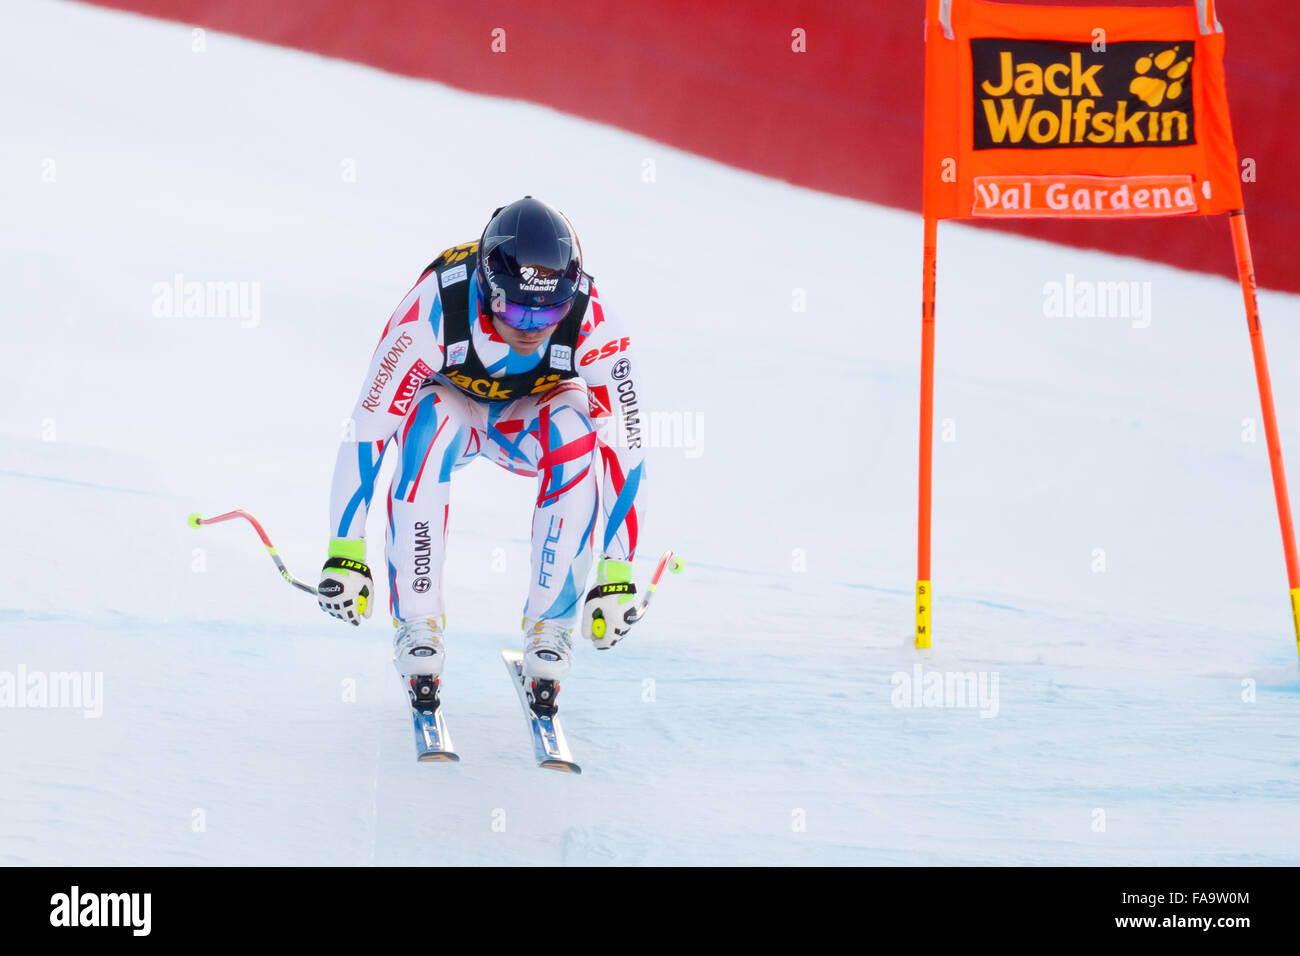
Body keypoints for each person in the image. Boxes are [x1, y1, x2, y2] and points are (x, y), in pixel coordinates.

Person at [315, 197, 647, 713]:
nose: (532, 325)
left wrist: (618, 572)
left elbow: (624, 443)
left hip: (531, 421)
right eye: (515, 308)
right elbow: (369, 430)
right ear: (487, 287)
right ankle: (419, 625)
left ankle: (550, 630)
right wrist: (345, 549)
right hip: (457, 413)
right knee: (429, 420)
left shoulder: (592, 315)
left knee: (576, 426)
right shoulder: (433, 308)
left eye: (550, 310)